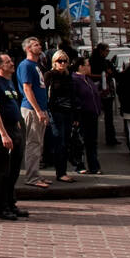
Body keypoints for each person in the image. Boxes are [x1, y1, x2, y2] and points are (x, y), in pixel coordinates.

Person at [0, 52, 27, 220]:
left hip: (14, 128)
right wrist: (3, 134)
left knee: (14, 170)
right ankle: (1, 207)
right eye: (7, 62)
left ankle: (11, 203)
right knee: (2, 171)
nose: (12, 63)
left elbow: (11, 103)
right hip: (1, 132)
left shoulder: (9, 82)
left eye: (11, 60)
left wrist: (17, 124)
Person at [18, 37, 52, 189]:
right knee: (33, 143)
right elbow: (27, 88)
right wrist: (38, 110)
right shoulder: (26, 65)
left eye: (39, 44)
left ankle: (36, 174)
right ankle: (31, 177)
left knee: (39, 143)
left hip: (39, 108)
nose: (39, 47)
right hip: (32, 109)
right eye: (35, 45)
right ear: (28, 49)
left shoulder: (36, 65)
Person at [45, 50, 78, 183]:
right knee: (60, 142)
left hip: (68, 112)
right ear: (54, 62)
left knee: (66, 142)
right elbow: (45, 94)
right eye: (60, 61)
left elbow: (72, 96)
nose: (62, 63)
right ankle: (60, 172)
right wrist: (46, 112)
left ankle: (63, 170)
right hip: (56, 112)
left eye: (65, 61)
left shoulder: (68, 75)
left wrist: (75, 116)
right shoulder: (50, 75)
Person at [72, 57, 102, 175]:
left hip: (92, 114)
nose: (90, 67)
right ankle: (79, 164)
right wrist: (76, 117)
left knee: (92, 142)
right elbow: (75, 99)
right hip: (83, 115)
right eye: (87, 65)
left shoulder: (87, 79)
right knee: (80, 141)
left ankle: (94, 166)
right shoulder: (75, 80)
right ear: (80, 66)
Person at [89, 43, 118, 146]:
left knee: (109, 115)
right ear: (100, 51)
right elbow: (89, 74)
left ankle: (111, 137)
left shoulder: (106, 62)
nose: (107, 53)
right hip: (97, 89)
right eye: (106, 51)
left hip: (106, 90)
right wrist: (101, 76)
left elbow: (112, 72)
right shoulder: (93, 61)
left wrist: (109, 73)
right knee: (95, 114)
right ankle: (93, 138)